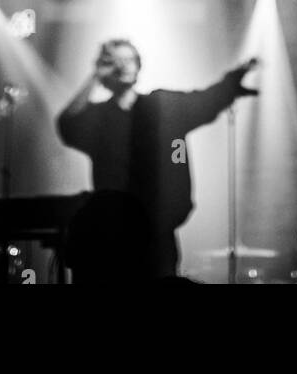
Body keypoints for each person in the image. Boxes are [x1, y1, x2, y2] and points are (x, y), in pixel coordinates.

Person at [56, 39, 258, 280]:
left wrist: (232, 82)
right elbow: (68, 124)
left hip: (158, 232)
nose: (123, 66)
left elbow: (205, 100)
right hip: (112, 233)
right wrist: (94, 76)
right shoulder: (98, 119)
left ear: (138, 65)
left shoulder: (163, 106)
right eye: (115, 61)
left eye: (129, 59)